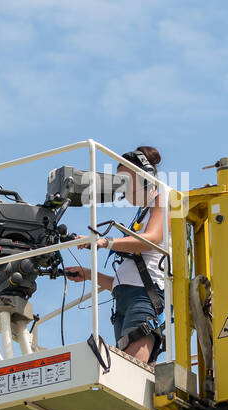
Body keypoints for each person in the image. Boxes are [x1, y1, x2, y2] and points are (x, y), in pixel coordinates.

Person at [64, 145, 167, 363]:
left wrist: (105, 242)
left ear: (145, 178)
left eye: (125, 181)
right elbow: (126, 280)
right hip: (124, 300)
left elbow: (153, 240)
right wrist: (89, 274)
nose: (122, 188)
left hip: (144, 298)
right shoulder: (141, 214)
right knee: (132, 371)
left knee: (132, 369)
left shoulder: (162, 199)